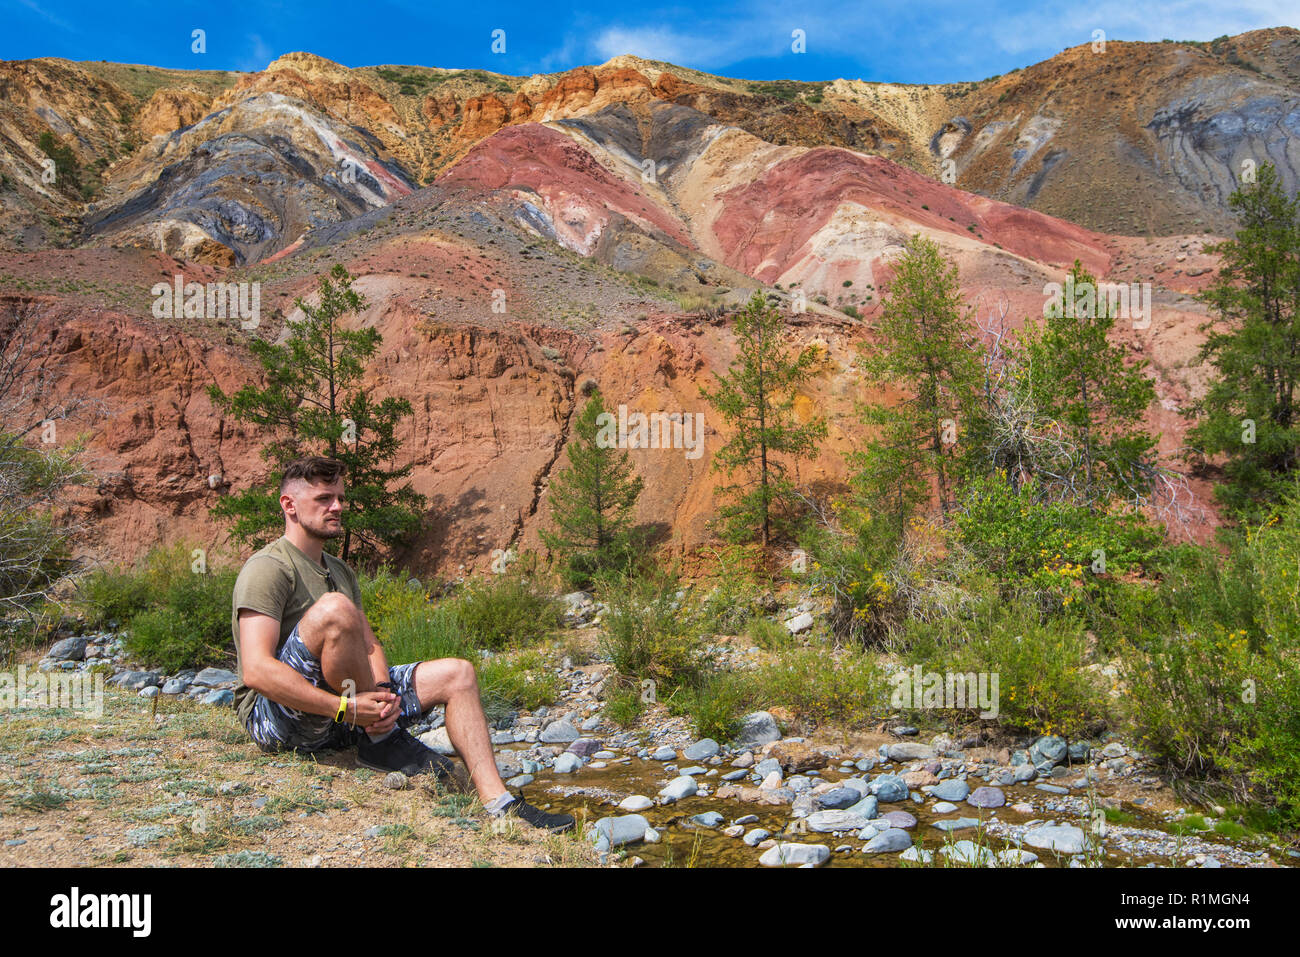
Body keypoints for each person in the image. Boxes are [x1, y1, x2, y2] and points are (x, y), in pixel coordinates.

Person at [230, 455, 574, 833]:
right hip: (278, 720)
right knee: (334, 609)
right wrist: (344, 708)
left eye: (341, 498)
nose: (338, 507)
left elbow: (370, 644)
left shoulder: (339, 570)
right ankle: (381, 738)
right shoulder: (268, 567)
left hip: (349, 710)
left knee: (458, 673)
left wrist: (380, 694)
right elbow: (256, 669)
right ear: (289, 505)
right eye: (325, 498)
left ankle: (499, 802)